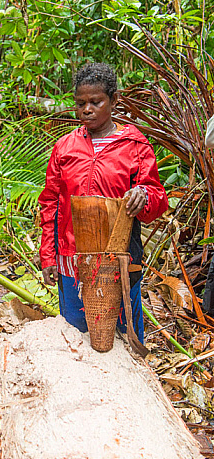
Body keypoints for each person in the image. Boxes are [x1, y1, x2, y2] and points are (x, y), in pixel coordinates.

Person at [39, 62, 168, 342]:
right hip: (72, 261)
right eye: (80, 103)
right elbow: (50, 203)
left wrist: (143, 195)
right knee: (76, 337)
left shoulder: (134, 144)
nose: (87, 110)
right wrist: (48, 256)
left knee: (125, 338)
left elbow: (157, 199)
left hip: (119, 261)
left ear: (114, 100)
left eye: (95, 102)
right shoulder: (64, 147)